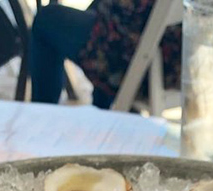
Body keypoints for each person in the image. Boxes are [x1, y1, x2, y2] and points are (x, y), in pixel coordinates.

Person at [30, 0, 180, 109]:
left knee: (46, 20)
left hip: (140, 61)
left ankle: (42, 115)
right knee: (96, 9)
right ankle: (102, 109)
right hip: (182, 57)